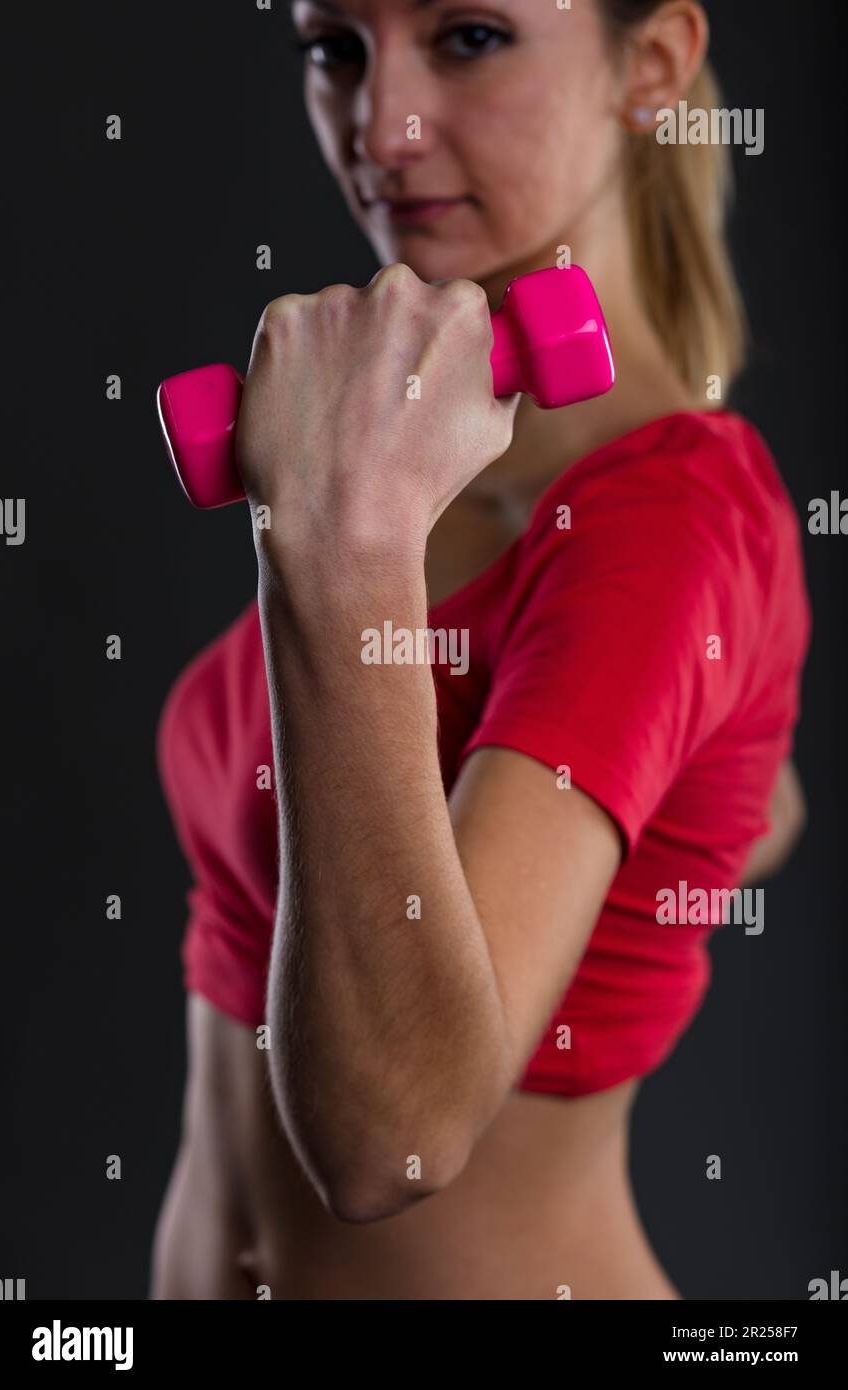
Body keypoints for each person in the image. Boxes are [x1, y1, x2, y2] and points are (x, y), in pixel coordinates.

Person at [150, 0, 810, 1300]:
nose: (380, 129)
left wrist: (342, 544)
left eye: (467, 37)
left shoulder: (662, 515)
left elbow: (389, 1137)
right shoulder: (431, 462)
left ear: (655, 63)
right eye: (333, 46)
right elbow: (761, 802)